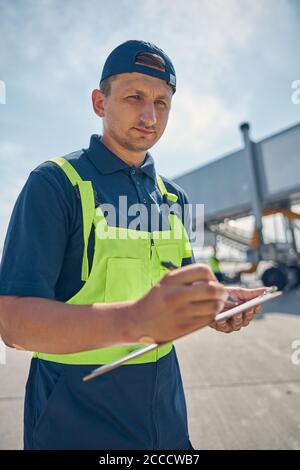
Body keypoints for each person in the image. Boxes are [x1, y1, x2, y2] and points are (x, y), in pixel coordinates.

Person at [0, 40, 265, 450]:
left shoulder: (174, 197)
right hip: (75, 418)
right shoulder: (55, 184)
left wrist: (216, 304)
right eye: (134, 97)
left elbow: (179, 290)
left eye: (162, 103)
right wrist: (136, 320)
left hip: (166, 416)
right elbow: (13, 324)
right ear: (99, 102)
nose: (149, 115)